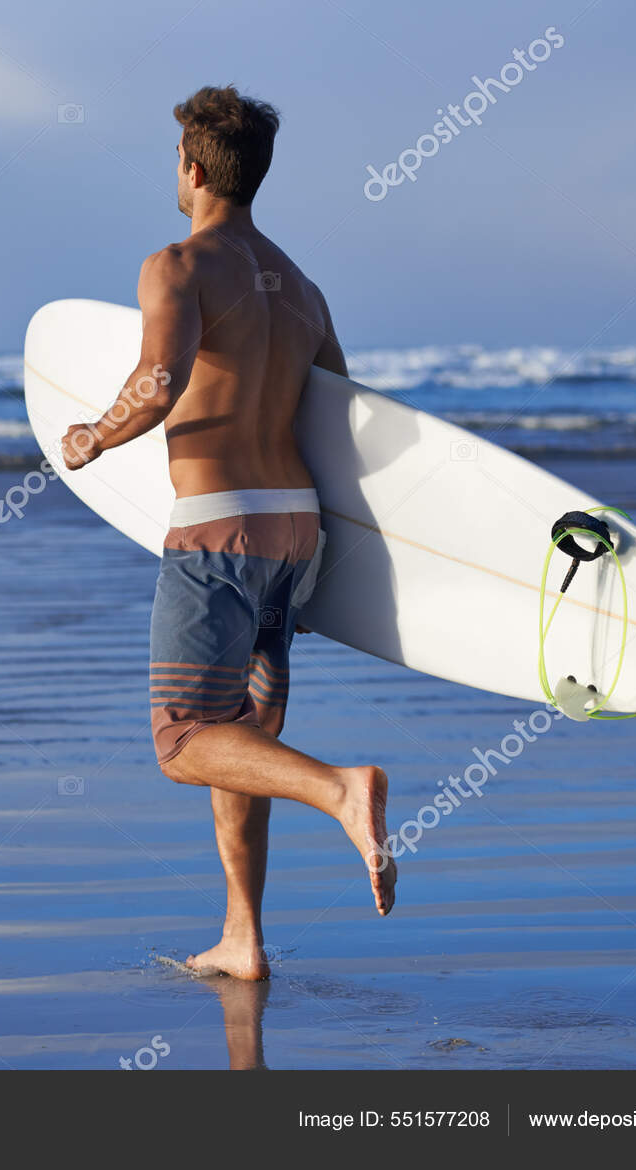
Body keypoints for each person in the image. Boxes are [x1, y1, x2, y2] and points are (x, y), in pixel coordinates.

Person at [61, 86, 395, 982]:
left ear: (194, 169)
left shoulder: (177, 263)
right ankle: (242, 939)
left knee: (181, 741)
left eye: (176, 158)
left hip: (218, 535)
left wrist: (93, 434)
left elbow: (159, 378)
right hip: (296, 537)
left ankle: (340, 789)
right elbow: (339, 419)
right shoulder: (304, 291)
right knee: (239, 742)